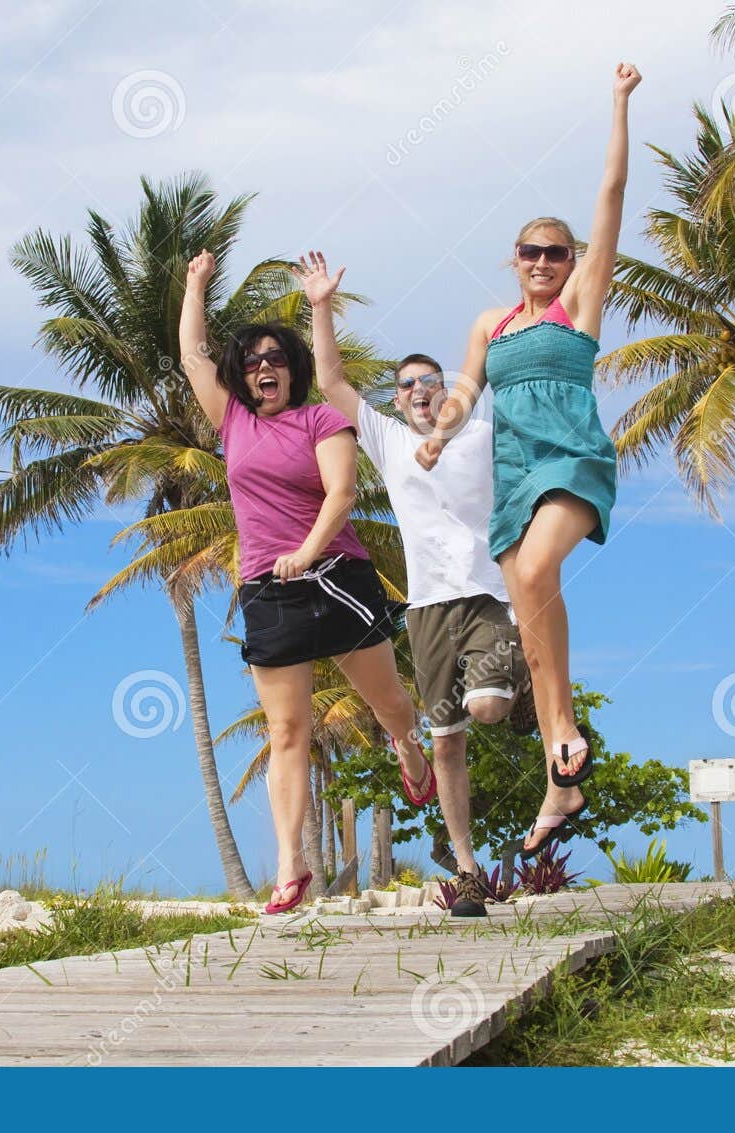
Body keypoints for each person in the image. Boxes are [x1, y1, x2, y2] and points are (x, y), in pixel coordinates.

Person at [417, 62, 641, 860]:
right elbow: (467, 384)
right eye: (529, 252)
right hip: (515, 475)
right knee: (534, 624)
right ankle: (561, 771)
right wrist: (442, 430)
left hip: (570, 460)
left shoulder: (581, 303)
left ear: (571, 258)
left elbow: (610, 197)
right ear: (513, 259)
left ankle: (567, 727)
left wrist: (616, 103)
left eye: (554, 251)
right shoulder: (492, 321)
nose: (542, 262)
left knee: (541, 571)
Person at [178, 248, 436, 916]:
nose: (266, 368)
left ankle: (413, 756)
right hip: (268, 590)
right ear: (244, 374)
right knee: (287, 730)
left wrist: (307, 550)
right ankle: (291, 866)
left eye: (277, 358)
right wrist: (196, 284)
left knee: (390, 708)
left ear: (293, 368)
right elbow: (190, 356)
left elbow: (342, 493)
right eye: (254, 361)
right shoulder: (233, 421)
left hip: (336, 577)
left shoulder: (322, 418)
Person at [300, 252, 529, 919]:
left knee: (486, 705)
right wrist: (320, 305)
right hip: (426, 609)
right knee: (447, 739)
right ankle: (466, 871)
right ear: (396, 400)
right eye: (407, 386)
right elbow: (331, 378)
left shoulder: (480, 430)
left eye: (430, 381)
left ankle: (518, 690)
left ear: (447, 388)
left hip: (488, 595)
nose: (420, 391)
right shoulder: (389, 441)